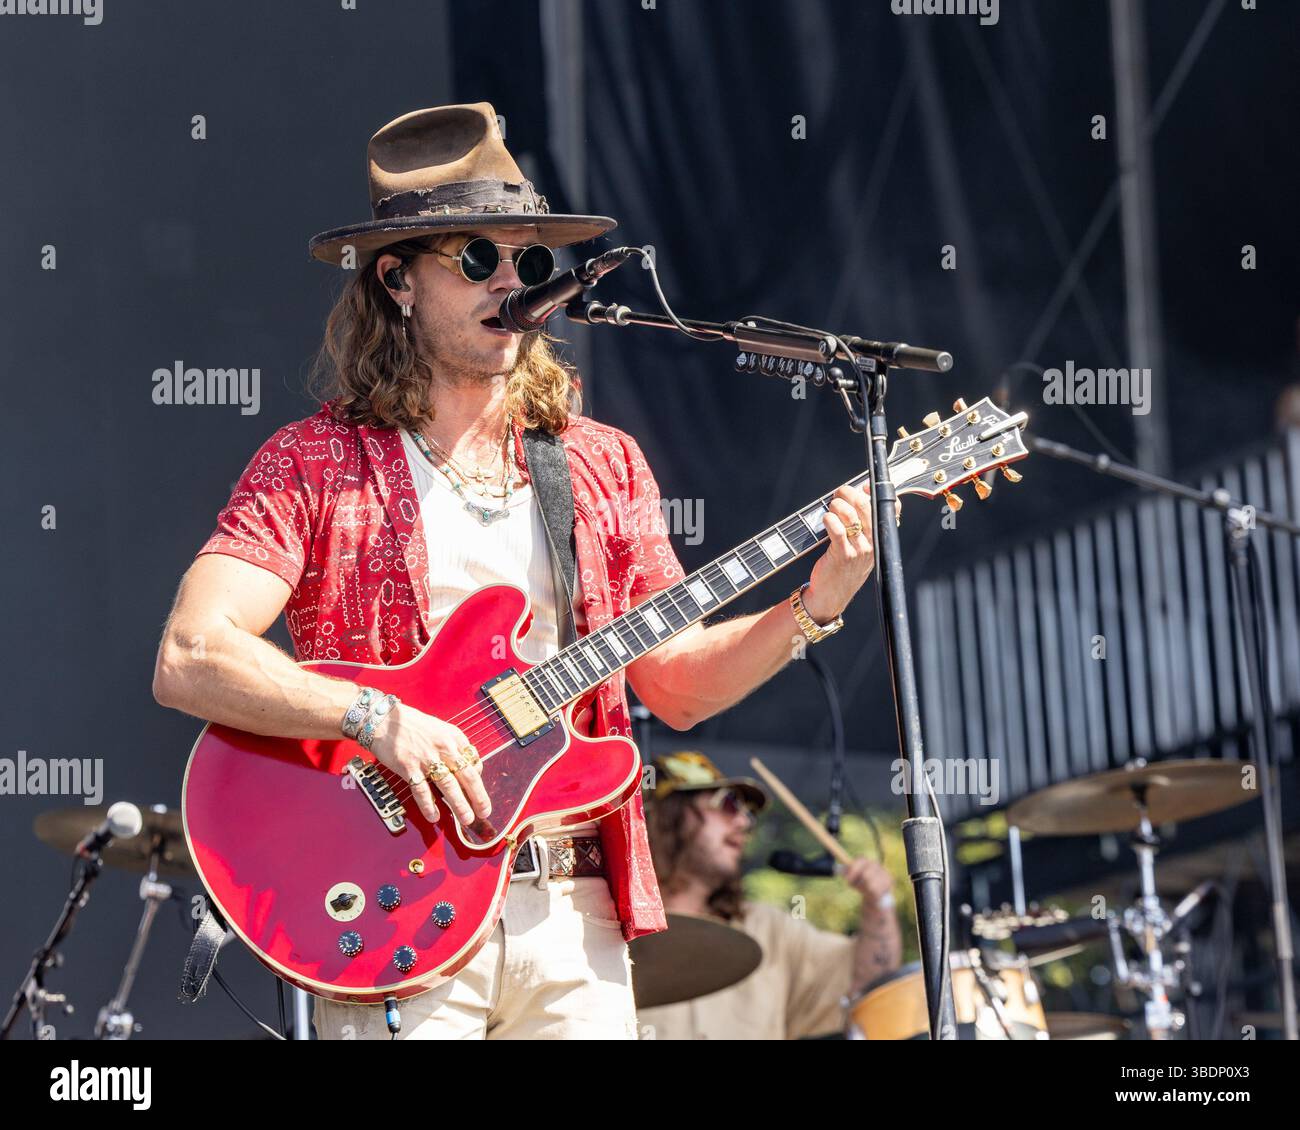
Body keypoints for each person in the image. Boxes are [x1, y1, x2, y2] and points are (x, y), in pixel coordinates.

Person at [152, 102, 877, 1040]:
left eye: (530, 261)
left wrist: (812, 608)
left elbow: (677, 685)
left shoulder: (598, 462)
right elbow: (192, 653)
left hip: (575, 913)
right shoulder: (316, 461)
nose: (513, 279)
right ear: (398, 281)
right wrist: (378, 718)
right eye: (476, 259)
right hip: (399, 914)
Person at [639, 751, 902, 1039]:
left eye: (747, 813)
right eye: (727, 804)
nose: (743, 823)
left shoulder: (771, 931)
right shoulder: (605, 928)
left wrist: (879, 904)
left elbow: (868, 985)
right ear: (668, 816)